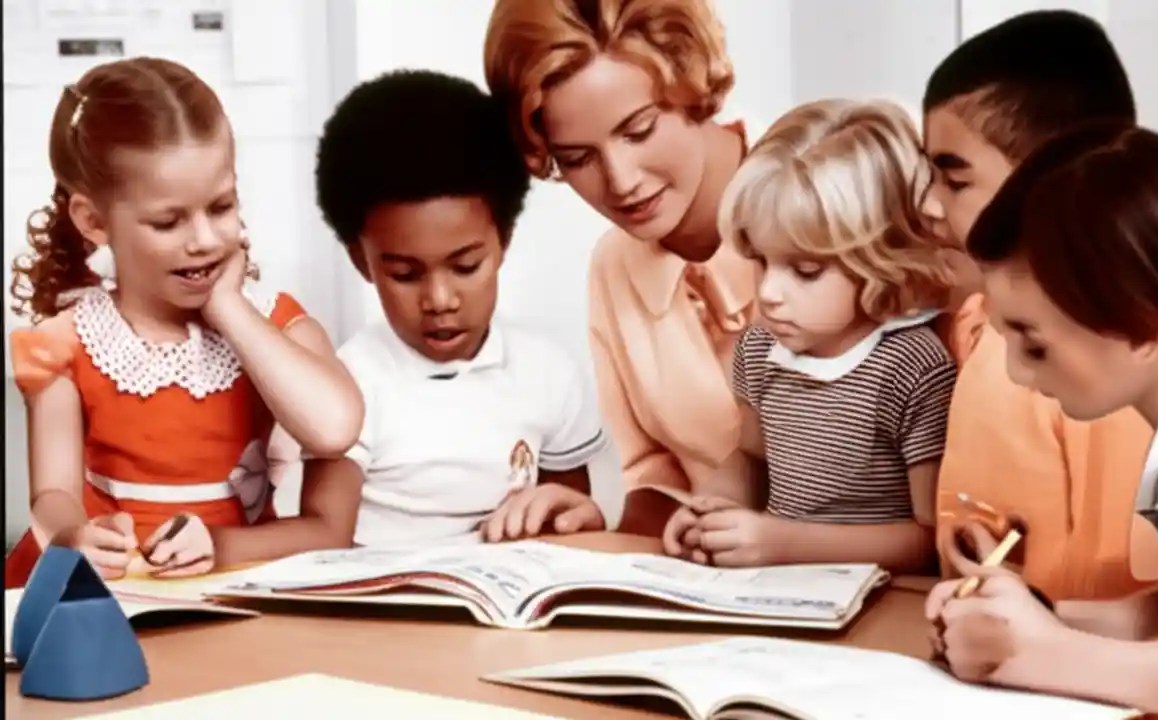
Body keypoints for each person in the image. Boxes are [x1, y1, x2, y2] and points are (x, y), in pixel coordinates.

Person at [927, 122, 1158, 720]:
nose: (1015, 372)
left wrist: (1030, 655)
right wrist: (1033, 614)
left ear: (1138, 327)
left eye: (1033, 345)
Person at [4, 57, 363, 587]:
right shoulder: (67, 345)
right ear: (94, 221)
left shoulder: (278, 327)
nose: (204, 239)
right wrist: (72, 537)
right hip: (115, 593)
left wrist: (228, 309)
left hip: (234, 586)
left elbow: (335, 428)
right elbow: (52, 495)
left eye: (221, 206)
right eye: (168, 221)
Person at [293, 69, 610, 550]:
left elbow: (566, 526)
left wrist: (572, 514)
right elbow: (324, 537)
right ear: (363, 261)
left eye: (465, 266)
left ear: (503, 242)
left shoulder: (547, 373)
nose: (439, 300)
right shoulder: (348, 387)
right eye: (405, 274)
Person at [483, 0, 759, 535]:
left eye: (638, 130)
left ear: (689, 78)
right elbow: (653, 484)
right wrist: (595, 527)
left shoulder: (833, 183)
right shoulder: (613, 269)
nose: (622, 181)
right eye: (578, 158)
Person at [920, 10, 1158, 600]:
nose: (929, 206)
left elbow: (1128, 588)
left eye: (954, 181)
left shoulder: (1112, 364)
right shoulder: (980, 325)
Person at [663, 100, 956, 572]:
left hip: (879, 602)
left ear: (879, 261)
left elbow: (928, 538)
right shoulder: (760, 351)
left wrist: (785, 543)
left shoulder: (914, 368)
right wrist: (711, 507)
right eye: (760, 261)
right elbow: (750, 457)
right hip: (779, 594)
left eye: (805, 270)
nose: (769, 293)